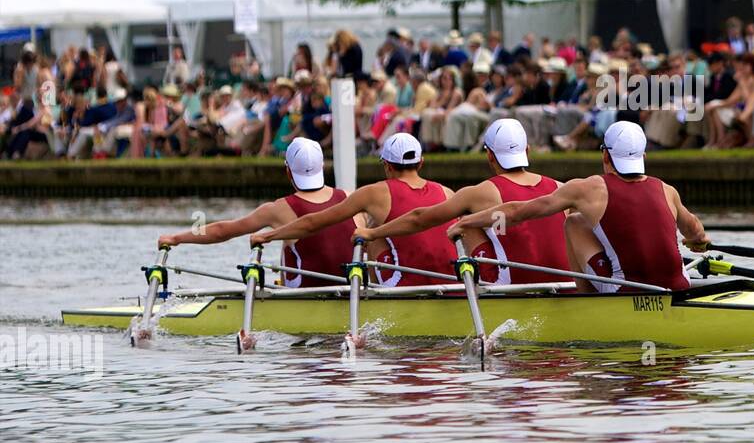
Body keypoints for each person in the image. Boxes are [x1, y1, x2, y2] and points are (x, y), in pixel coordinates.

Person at [449, 122, 708, 294]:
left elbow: (519, 212)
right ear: (644, 157)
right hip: (678, 287)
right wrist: (697, 242)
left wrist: (465, 223)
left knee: (575, 221)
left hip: (623, 292)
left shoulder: (589, 188)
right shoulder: (667, 189)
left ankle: (584, 299)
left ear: (605, 155)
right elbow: (696, 230)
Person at [356, 119, 569, 285]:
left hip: (513, 286)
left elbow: (419, 219)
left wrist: (373, 233)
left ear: (490, 156)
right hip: (567, 285)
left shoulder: (477, 193)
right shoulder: (561, 188)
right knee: (572, 223)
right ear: (527, 151)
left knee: (467, 220)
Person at [252, 133, 457, 284]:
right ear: (421, 163)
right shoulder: (448, 193)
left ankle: (370, 294)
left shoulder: (372, 193)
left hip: (405, 287)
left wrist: (268, 236)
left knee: (369, 230)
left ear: (387, 165)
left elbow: (313, 223)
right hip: (453, 287)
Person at [158, 138, 360, 289]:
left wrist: (176, 238)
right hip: (351, 293)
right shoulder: (352, 199)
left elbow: (223, 230)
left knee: (287, 241)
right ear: (322, 167)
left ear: (288, 171)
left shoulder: (277, 209)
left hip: (304, 296)